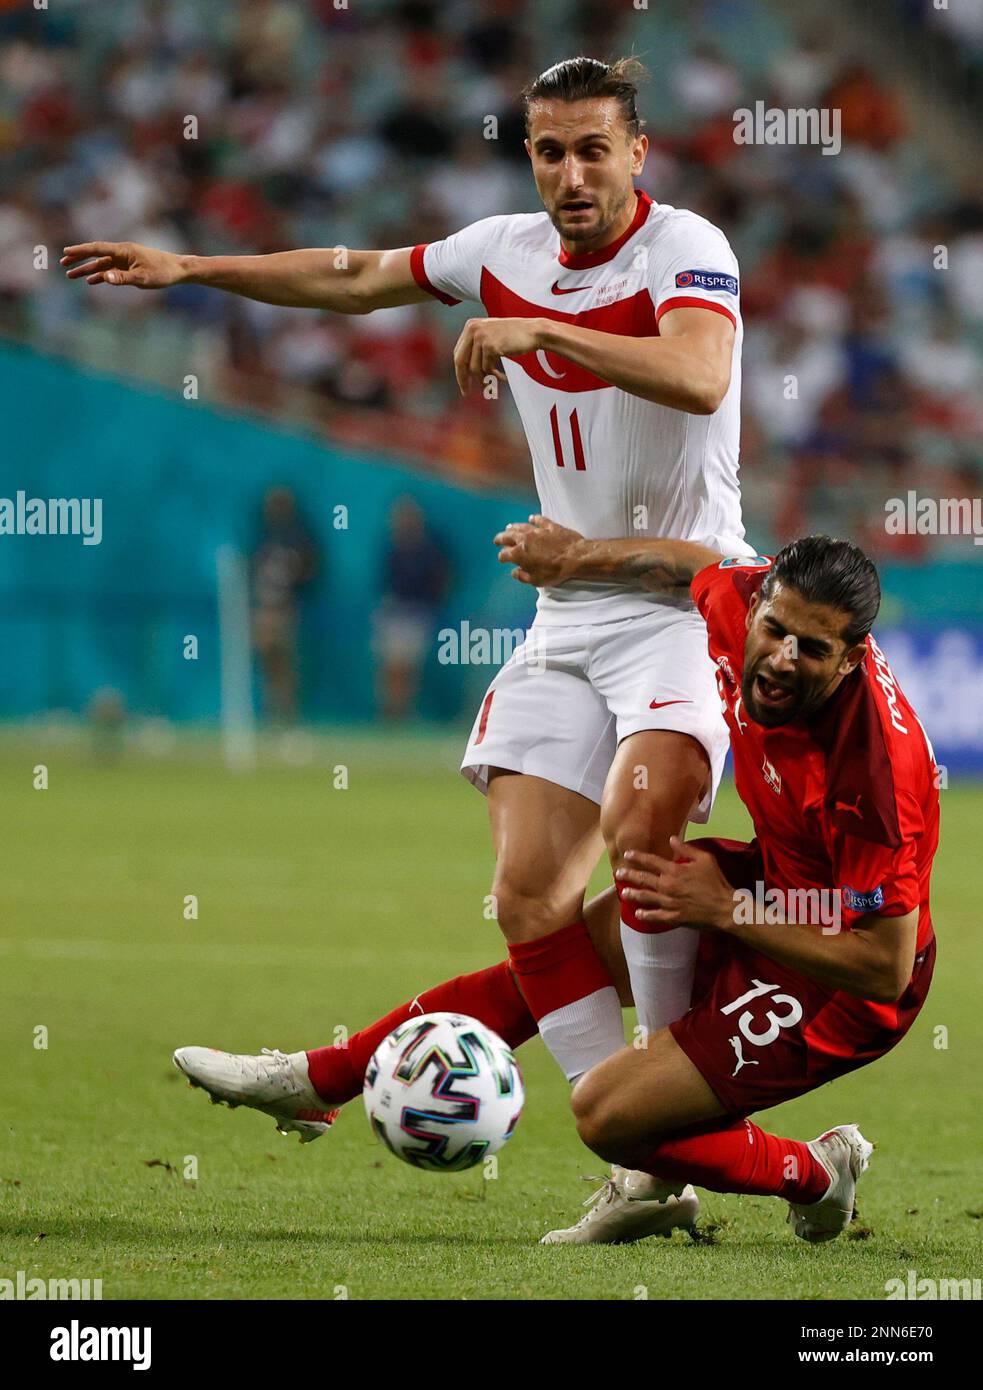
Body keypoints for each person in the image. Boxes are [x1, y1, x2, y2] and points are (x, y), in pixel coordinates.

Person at [64, 57, 751, 1237]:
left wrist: (538, 328)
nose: (571, 172)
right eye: (548, 150)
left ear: (639, 153)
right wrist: (192, 269)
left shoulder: (684, 246)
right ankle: (642, 1171)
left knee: (643, 850)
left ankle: (661, 1121)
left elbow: (699, 374)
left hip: (683, 607)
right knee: (530, 894)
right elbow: (353, 277)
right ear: (526, 154)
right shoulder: (498, 248)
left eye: (594, 148)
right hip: (565, 608)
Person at [173, 532, 938, 1248]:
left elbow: (884, 965)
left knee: (606, 1115)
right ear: (760, 600)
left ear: (848, 661)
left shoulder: (875, 777)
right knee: (550, 964)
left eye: (810, 650)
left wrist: (728, 910)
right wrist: (578, 556)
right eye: (773, 629)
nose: (777, 658)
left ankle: (813, 1171)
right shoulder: (743, 596)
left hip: (836, 982)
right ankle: (317, 1081)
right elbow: (695, 562)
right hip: (767, 887)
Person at [372, 496, 448, 721]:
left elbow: (441, 578)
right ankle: (389, 713)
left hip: (417, 612)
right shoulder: (392, 548)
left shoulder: (428, 550)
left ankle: (404, 712)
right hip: (394, 610)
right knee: (389, 666)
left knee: (409, 668)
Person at [251, 486, 319, 722]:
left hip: (285, 608)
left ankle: (288, 711)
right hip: (264, 607)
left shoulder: (298, 537)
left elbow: (311, 569)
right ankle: (272, 709)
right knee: (267, 660)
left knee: (286, 660)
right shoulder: (263, 535)